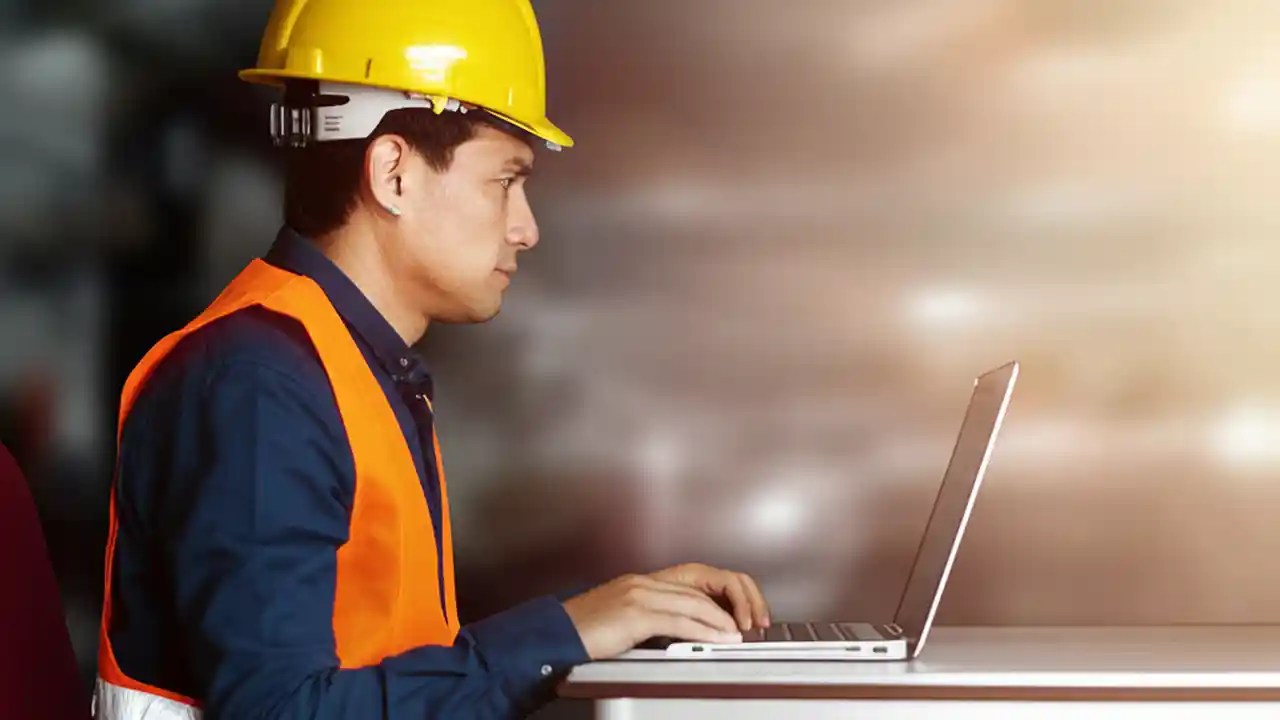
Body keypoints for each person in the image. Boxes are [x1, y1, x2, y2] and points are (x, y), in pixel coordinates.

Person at [93, 1, 771, 718]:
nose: (526, 228)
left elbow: (383, 662)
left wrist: (605, 618)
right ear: (394, 174)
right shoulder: (260, 386)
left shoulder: (346, 366)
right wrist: (564, 632)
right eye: (504, 181)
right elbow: (283, 711)